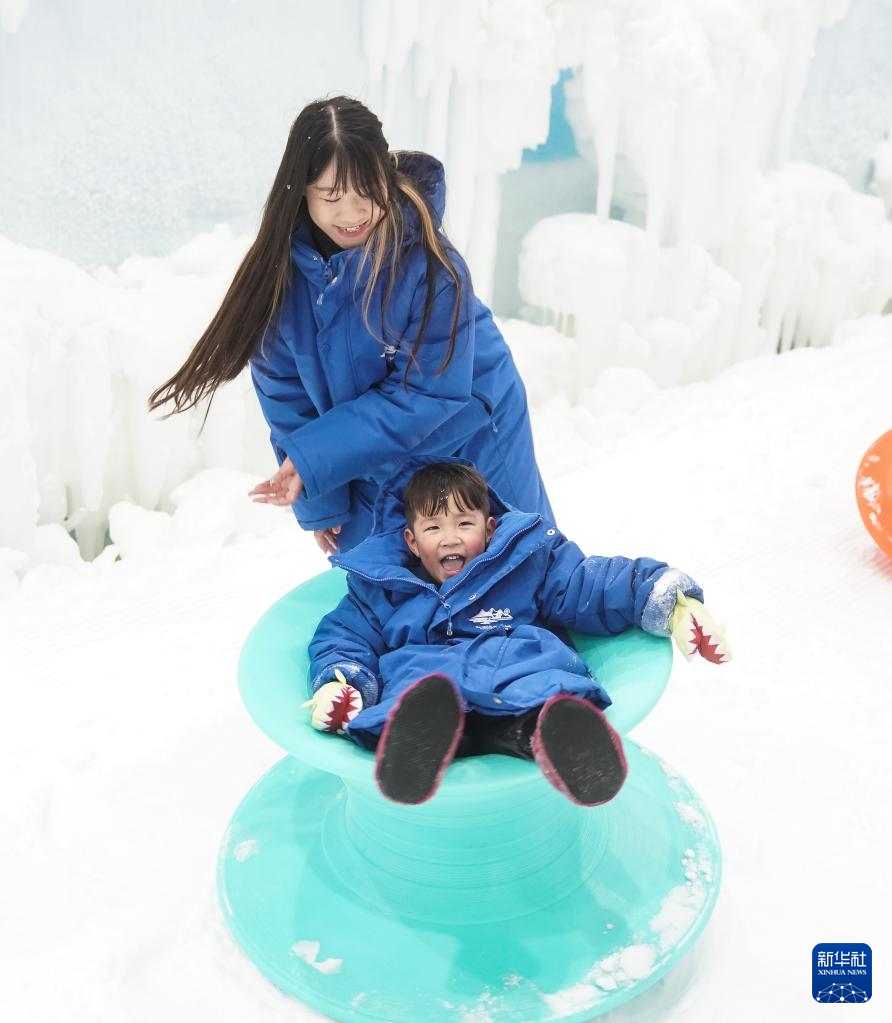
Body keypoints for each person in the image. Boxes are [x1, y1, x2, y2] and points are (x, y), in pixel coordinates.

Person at [148, 95, 552, 553]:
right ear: (301, 190)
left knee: (510, 565)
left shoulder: (431, 265)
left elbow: (430, 391)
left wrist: (316, 460)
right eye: (332, 196)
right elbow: (288, 398)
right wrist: (321, 499)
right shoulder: (278, 280)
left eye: (367, 191)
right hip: (361, 448)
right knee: (380, 579)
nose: (353, 213)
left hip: (469, 427)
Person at [305, 459, 731, 806]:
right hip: (430, 686)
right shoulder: (382, 588)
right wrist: (343, 682)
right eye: (433, 528)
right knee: (419, 692)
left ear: (490, 529)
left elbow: (590, 584)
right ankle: (417, 744)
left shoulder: (526, 564)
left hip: (514, 672)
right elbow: (345, 634)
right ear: (412, 542)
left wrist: (670, 602)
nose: (448, 538)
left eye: (463, 524)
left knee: (536, 693)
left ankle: (559, 736)